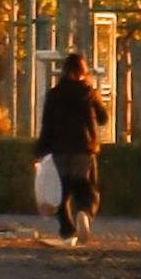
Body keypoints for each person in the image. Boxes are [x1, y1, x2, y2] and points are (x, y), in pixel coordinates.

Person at [37, 47, 106, 243]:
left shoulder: (54, 95)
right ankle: (84, 213)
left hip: (59, 151)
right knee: (87, 189)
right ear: (83, 71)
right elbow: (103, 118)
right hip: (84, 151)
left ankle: (68, 231)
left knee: (60, 193)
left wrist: (40, 150)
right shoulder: (90, 93)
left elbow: (46, 125)